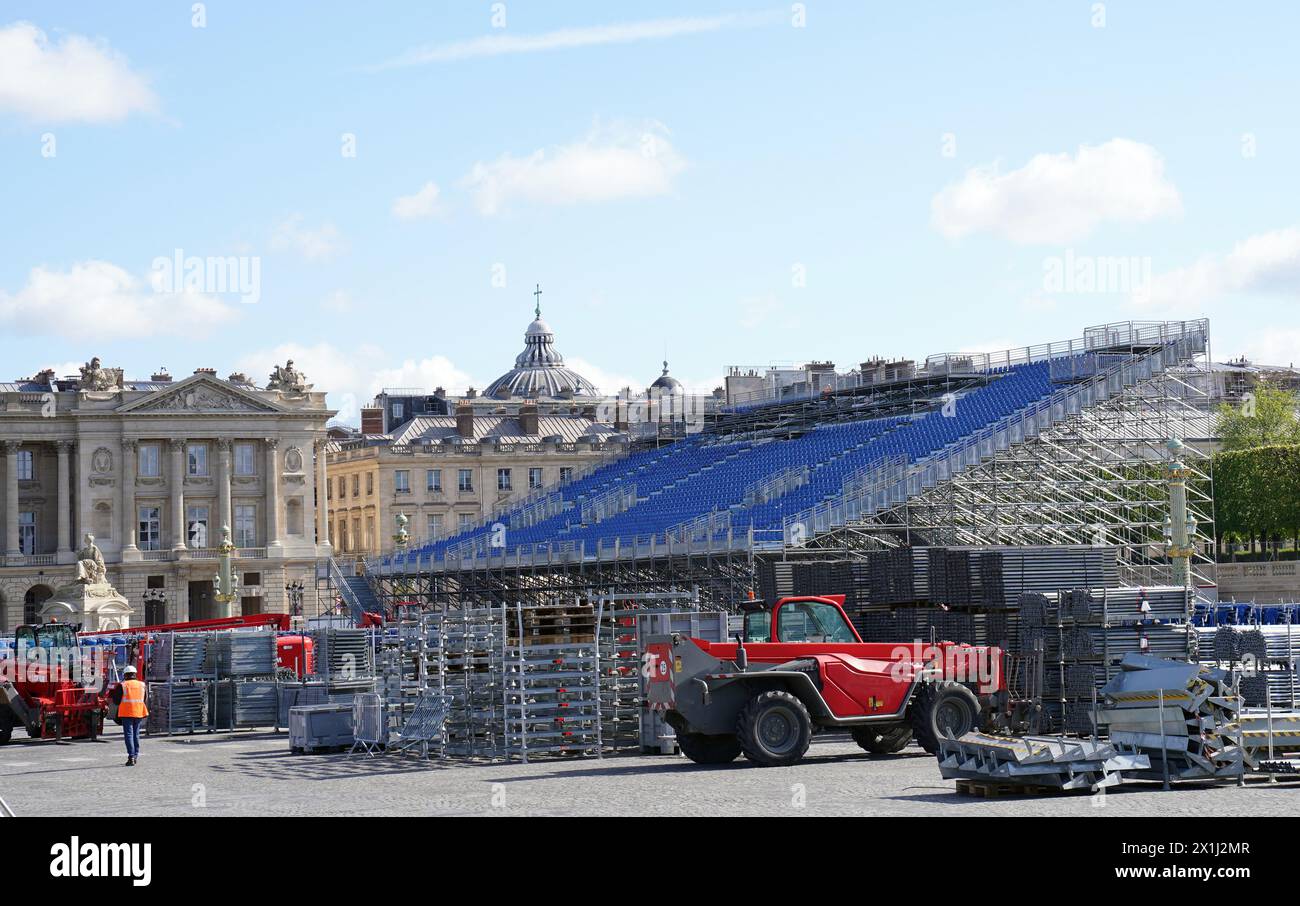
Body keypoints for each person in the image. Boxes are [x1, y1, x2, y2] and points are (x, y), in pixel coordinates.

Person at [112, 665, 148, 766]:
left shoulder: (123, 685)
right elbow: (144, 699)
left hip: (126, 713)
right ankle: (135, 756)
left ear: (125, 675)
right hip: (138, 712)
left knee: (129, 735)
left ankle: (131, 756)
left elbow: (116, 701)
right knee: (136, 735)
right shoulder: (142, 685)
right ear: (135, 674)